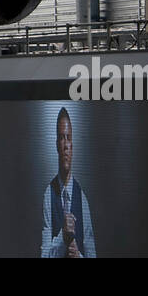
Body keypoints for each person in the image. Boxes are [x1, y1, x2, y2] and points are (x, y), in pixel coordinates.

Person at [41, 107, 97, 258]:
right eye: (61, 137)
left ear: (72, 146)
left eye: (68, 138)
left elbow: (92, 254)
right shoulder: (48, 194)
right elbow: (44, 255)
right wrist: (62, 238)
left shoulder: (82, 198)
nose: (65, 144)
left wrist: (79, 256)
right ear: (56, 145)